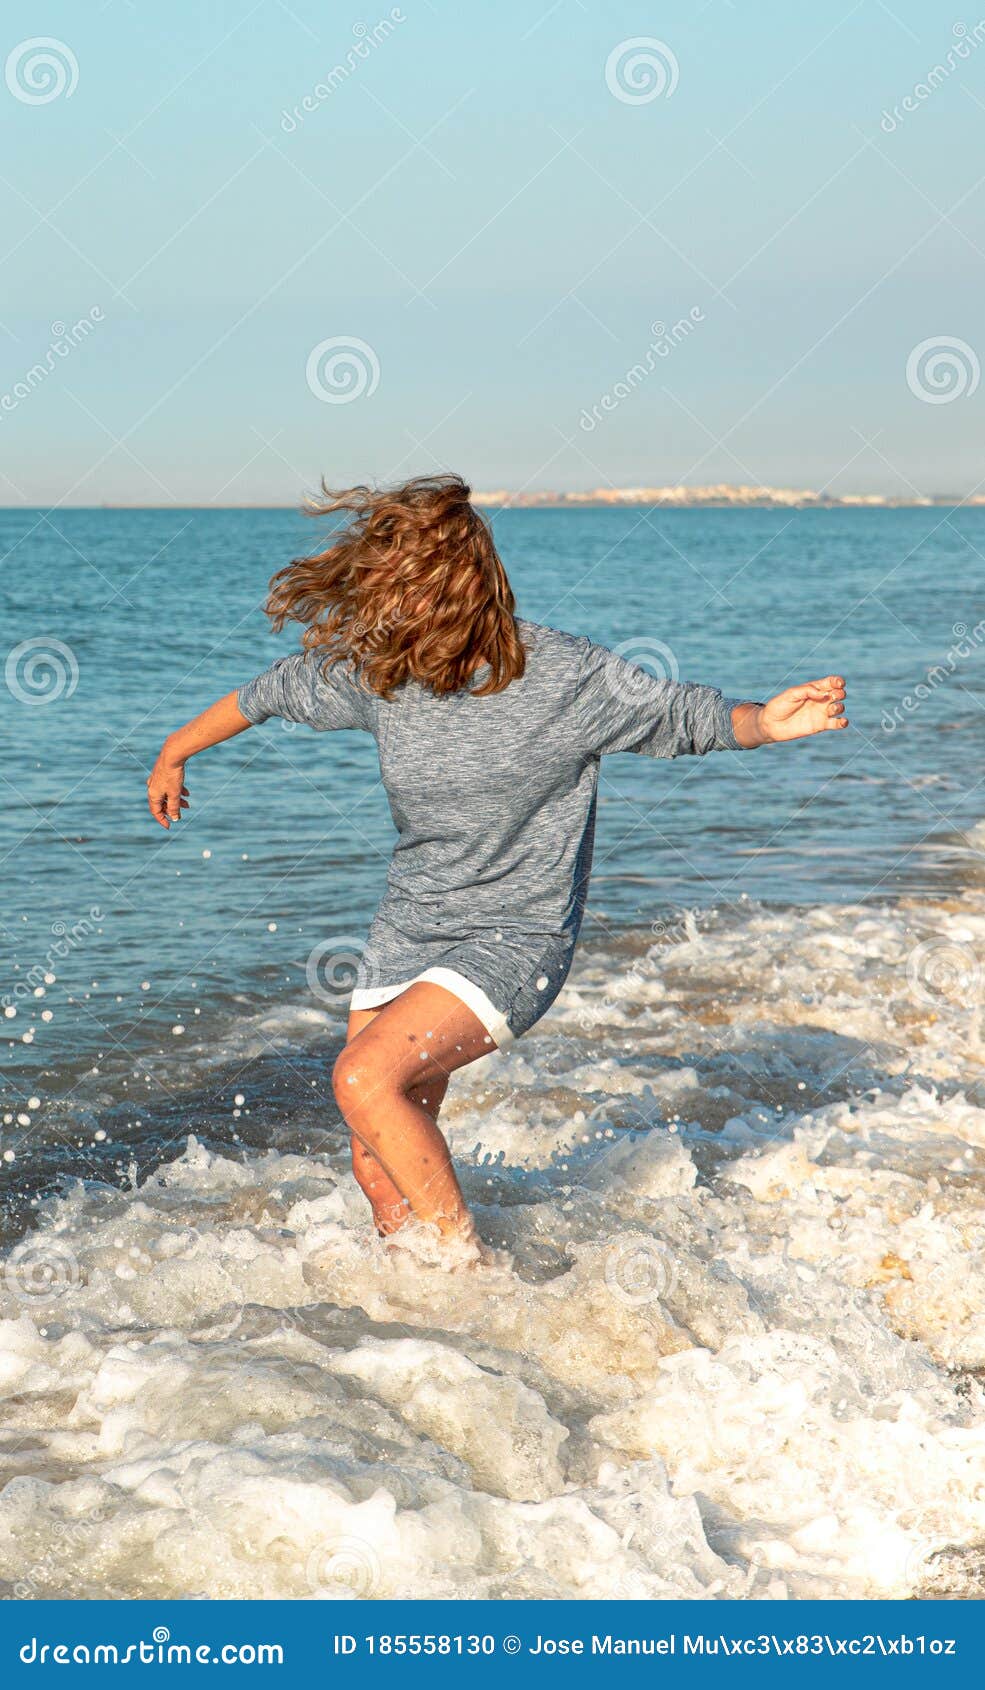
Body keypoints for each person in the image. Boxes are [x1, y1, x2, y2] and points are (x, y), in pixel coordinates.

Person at [147, 474, 848, 1257]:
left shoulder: (563, 677)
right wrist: (174, 752)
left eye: (412, 592)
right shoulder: (386, 673)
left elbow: (678, 716)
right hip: (410, 927)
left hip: (517, 938)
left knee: (360, 1081)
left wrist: (764, 722)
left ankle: (470, 1278)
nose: (396, 613)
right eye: (388, 594)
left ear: (464, 586)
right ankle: (416, 1320)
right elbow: (269, 693)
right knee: (374, 1164)